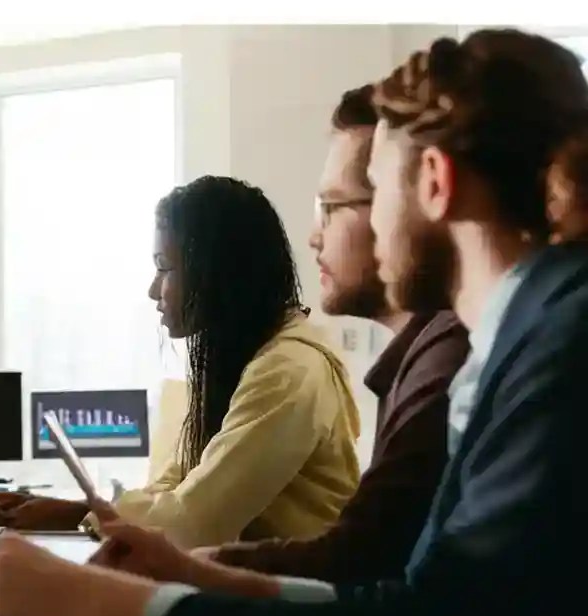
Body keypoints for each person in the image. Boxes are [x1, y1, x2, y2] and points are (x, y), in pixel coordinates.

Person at [0, 28, 588, 616]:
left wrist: (87, 599)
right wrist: (192, 574)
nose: (358, 230)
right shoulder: (521, 339)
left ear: (435, 182)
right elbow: (415, 606)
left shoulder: (557, 350)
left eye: (368, 195)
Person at [0, 176, 362, 550]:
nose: (153, 289)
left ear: (217, 271)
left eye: (164, 267)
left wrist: (83, 514)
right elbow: (177, 489)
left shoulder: (289, 370)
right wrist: (68, 511)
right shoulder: (243, 359)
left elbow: (192, 525)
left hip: (300, 602)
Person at [200, 85, 469, 584]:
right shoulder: (421, 360)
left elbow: (364, 571)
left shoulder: (447, 368)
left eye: (331, 205)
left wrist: (167, 575)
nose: (313, 235)